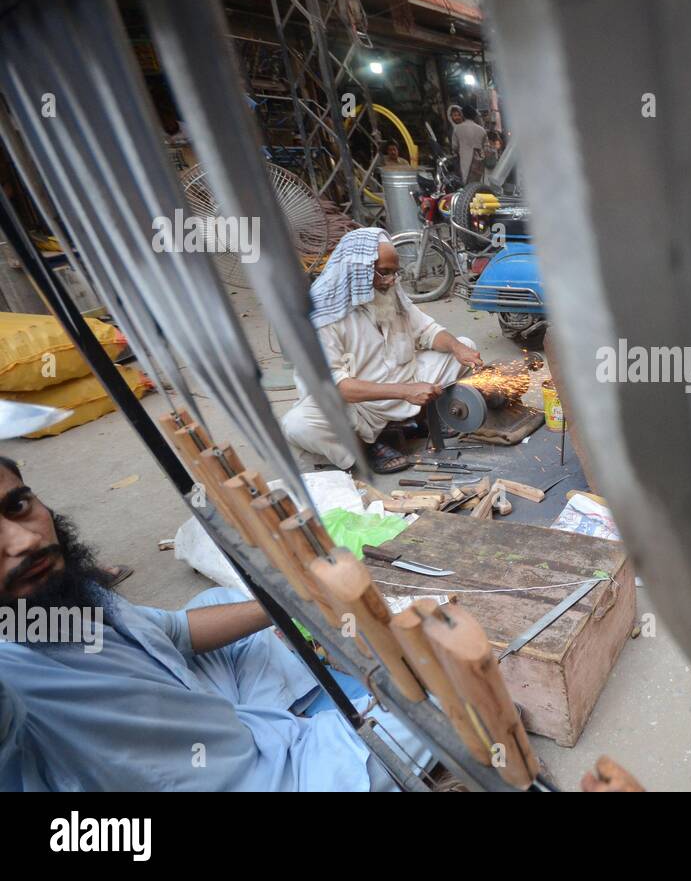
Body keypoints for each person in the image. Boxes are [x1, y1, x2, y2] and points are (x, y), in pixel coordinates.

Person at [0, 457, 428, 790]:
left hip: (223, 729)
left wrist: (288, 602)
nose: (27, 541)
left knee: (218, 602)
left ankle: (283, 702)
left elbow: (174, 632)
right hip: (269, 780)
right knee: (450, 707)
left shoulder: (59, 598)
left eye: (17, 507)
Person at [281, 227, 482, 473]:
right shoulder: (321, 314)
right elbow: (335, 385)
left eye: (394, 273)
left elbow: (427, 331)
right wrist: (405, 392)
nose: (391, 281)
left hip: (406, 379)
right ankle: (368, 446)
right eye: (384, 273)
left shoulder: (388, 290)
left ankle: (422, 417)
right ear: (358, 270)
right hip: (360, 406)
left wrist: (457, 347)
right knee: (298, 424)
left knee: (465, 347)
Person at [448, 104, 486, 184]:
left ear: (463, 115)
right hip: (479, 162)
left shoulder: (457, 129)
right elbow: (485, 147)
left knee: (466, 184)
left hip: (464, 160)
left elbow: (454, 147)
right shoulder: (482, 130)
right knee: (478, 184)